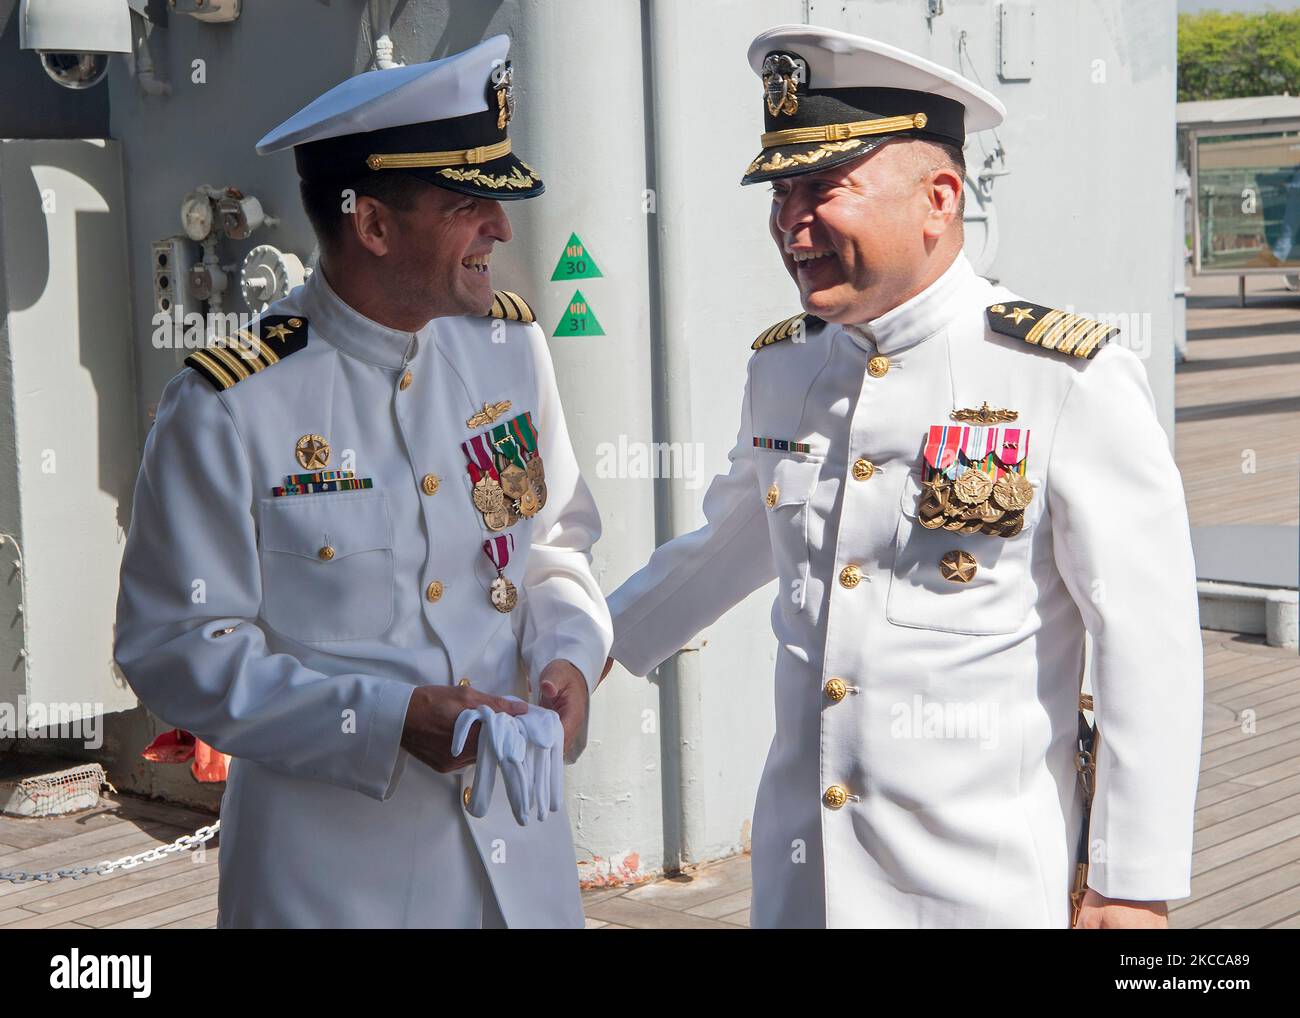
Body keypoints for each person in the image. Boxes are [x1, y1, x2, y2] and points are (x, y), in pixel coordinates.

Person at [603, 25, 1203, 929]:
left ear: (940, 198)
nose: (788, 221)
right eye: (779, 191)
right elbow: (729, 541)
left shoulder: (1062, 376)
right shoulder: (785, 371)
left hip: (977, 890)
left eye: (822, 188)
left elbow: (1147, 645)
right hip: (805, 883)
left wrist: (1131, 881)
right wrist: (591, 644)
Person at [113, 35, 611, 928]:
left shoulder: (508, 348)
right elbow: (176, 645)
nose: (500, 228)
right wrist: (384, 722)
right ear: (374, 225)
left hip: (519, 875)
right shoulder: (231, 403)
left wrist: (570, 651)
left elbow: (551, 546)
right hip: (336, 888)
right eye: (469, 206)